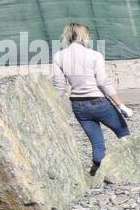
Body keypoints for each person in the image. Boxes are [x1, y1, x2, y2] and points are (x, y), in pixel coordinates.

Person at [52, 23, 130, 175]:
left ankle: (97, 172)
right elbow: (102, 82)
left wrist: (54, 107)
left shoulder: (58, 56)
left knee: (96, 142)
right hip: (99, 102)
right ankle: (130, 164)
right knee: (123, 133)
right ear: (84, 36)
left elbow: (59, 86)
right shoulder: (95, 55)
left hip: (78, 105)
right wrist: (121, 105)